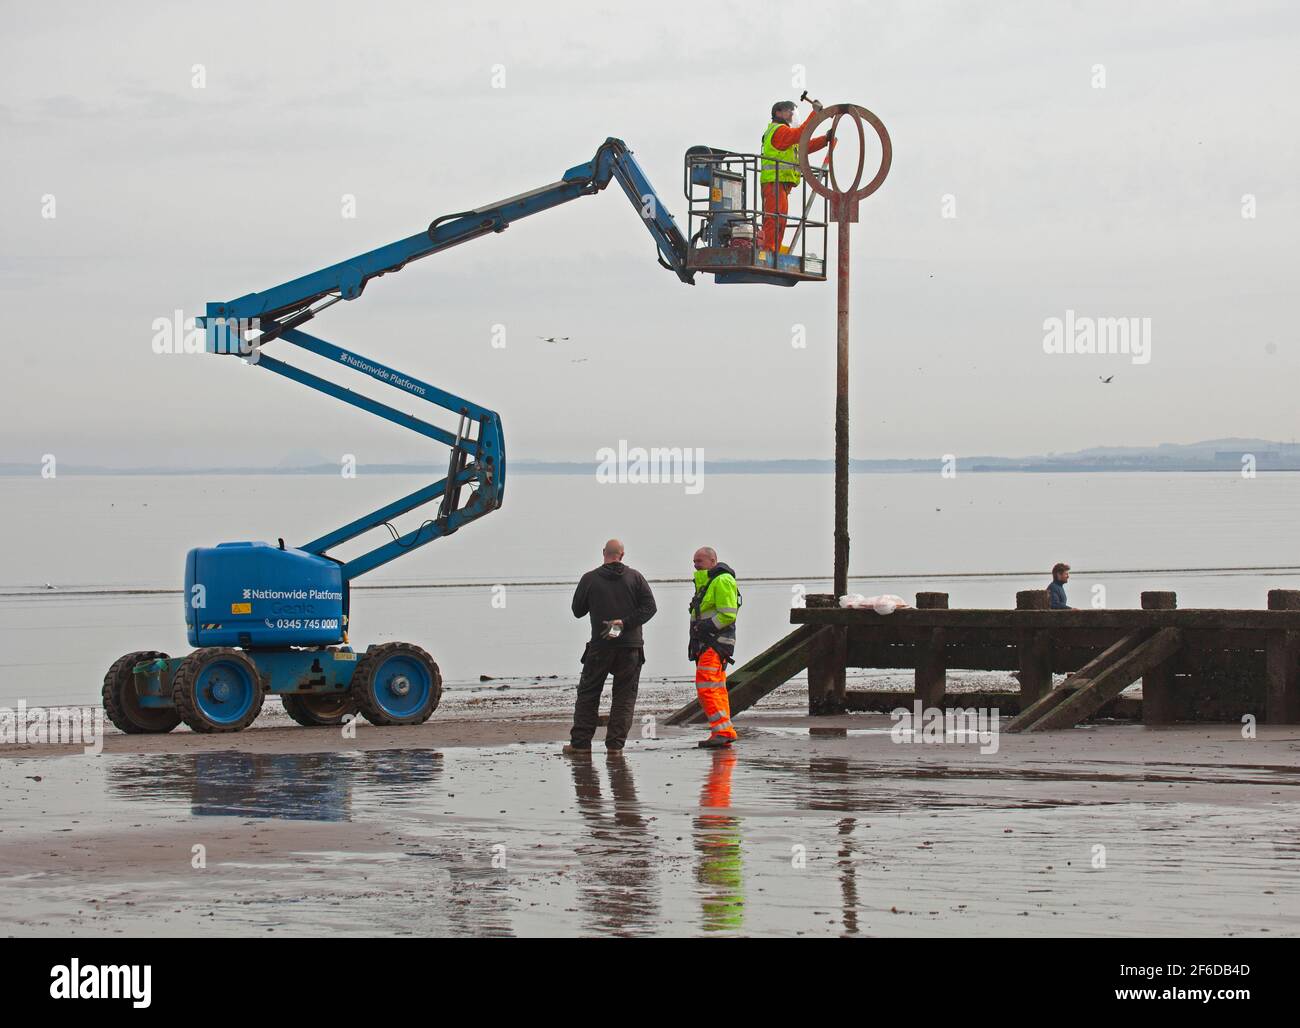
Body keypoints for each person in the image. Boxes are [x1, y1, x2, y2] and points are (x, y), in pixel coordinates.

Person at [565, 539, 657, 755]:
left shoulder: (589, 579)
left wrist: (610, 615)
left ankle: (580, 744)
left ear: (604, 553)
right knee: (624, 697)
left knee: (588, 693)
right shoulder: (635, 577)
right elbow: (650, 608)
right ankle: (615, 746)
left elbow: (577, 610)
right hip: (630, 647)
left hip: (601, 645)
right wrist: (625, 623)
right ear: (622, 555)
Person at [760, 99, 834, 253]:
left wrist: (824, 140)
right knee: (774, 220)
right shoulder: (779, 130)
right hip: (774, 183)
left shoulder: (786, 135)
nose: (792, 114)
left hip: (781, 185)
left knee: (780, 220)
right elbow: (802, 134)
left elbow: (804, 146)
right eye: (789, 111)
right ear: (778, 113)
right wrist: (815, 113)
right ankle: (768, 252)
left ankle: (774, 252)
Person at [689, 546, 742, 748]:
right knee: (716, 687)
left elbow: (728, 614)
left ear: (712, 561)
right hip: (707, 643)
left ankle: (723, 731)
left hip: (716, 643)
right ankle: (723, 730)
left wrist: (706, 628)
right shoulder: (707, 583)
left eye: (699, 561)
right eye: (694, 561)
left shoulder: (722, 580)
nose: (695, 565)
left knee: (707, 686)